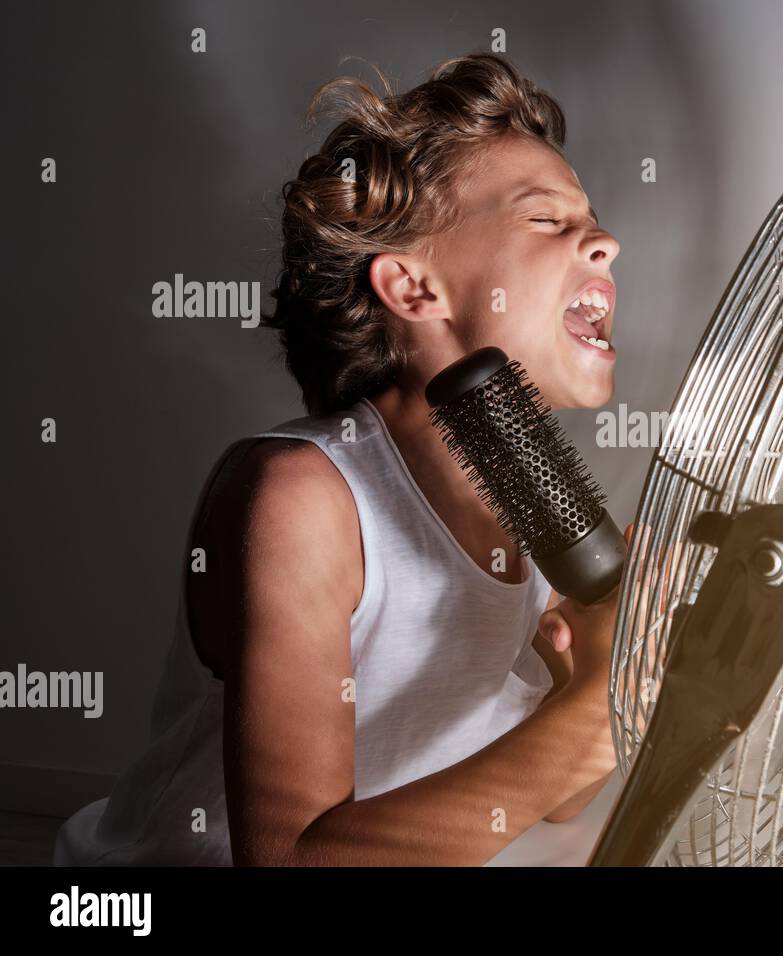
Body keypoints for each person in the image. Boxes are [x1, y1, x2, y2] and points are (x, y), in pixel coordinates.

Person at [54, 52, 625, 866]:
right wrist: (592, 723)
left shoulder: (529, 497)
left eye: (592, 218)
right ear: (413, 288)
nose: (605, 242)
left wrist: (614, 666)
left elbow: (559, 801)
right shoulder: (301, 495)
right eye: (546, 219)